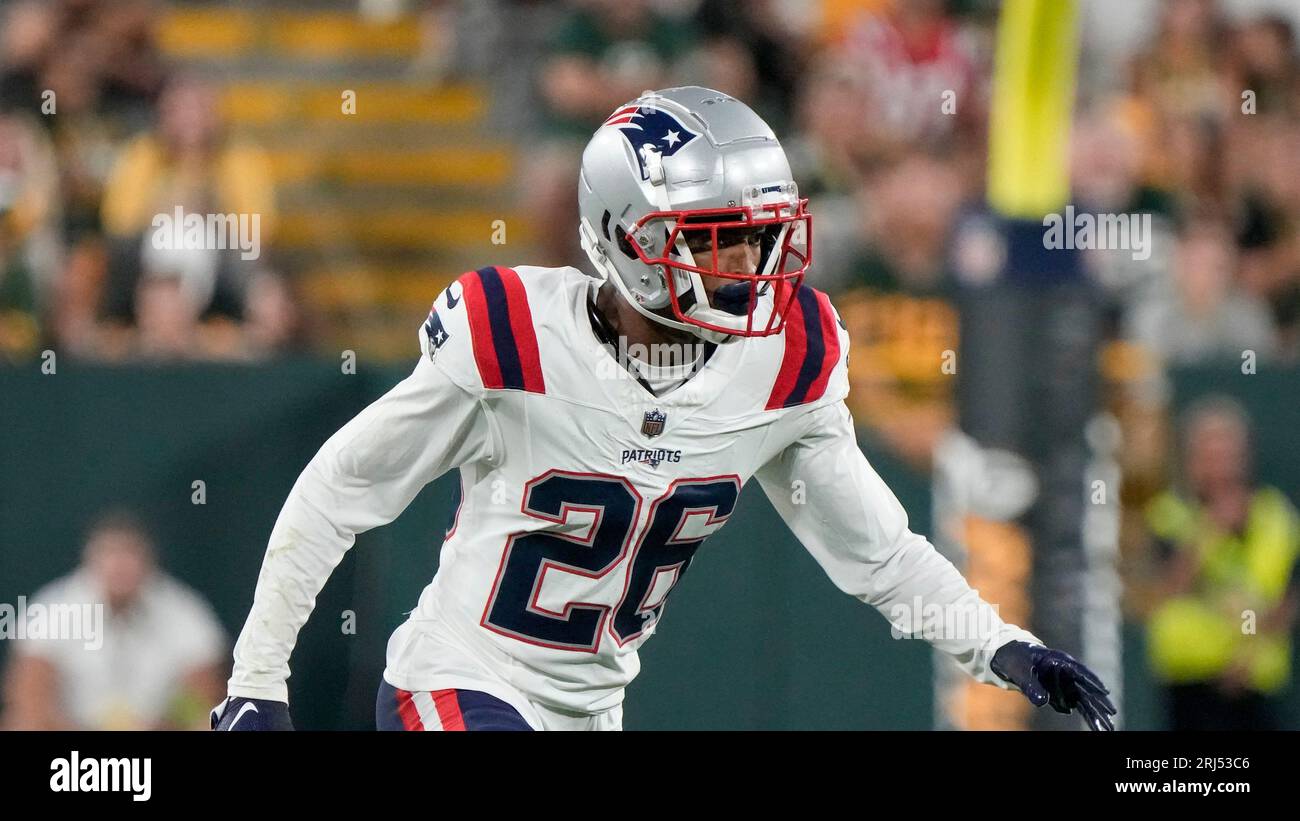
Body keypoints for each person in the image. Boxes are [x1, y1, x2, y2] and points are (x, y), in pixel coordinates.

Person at [212, 87, 1114, 732]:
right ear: (627, 238)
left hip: (594, 705)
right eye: (721, 244)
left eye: (761, 241)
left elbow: (878, 552)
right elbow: (341, 486)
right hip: (459, 678)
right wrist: (257, 678)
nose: (754, 272)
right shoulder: (513, 334)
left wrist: (999, 646)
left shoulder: (783, 358)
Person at [1145, 396, 1300, 730]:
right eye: (1208, 455)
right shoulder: (1169, 515)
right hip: (1189, 683)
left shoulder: (1274, 516)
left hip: (1254, 687)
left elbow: (1287, 597)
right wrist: (1211, 531)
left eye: (1227, 455)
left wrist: (1245, 659)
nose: (1219, 467)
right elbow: (1167, 590)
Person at [3, 511, 227, 730]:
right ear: (90, 558)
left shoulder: (183, 610)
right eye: (110, 554)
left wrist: (166, 723)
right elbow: (28, 695)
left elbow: (202, 695)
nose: (120, 565)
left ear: (148, 559)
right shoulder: (53, 608)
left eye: (130, 554)